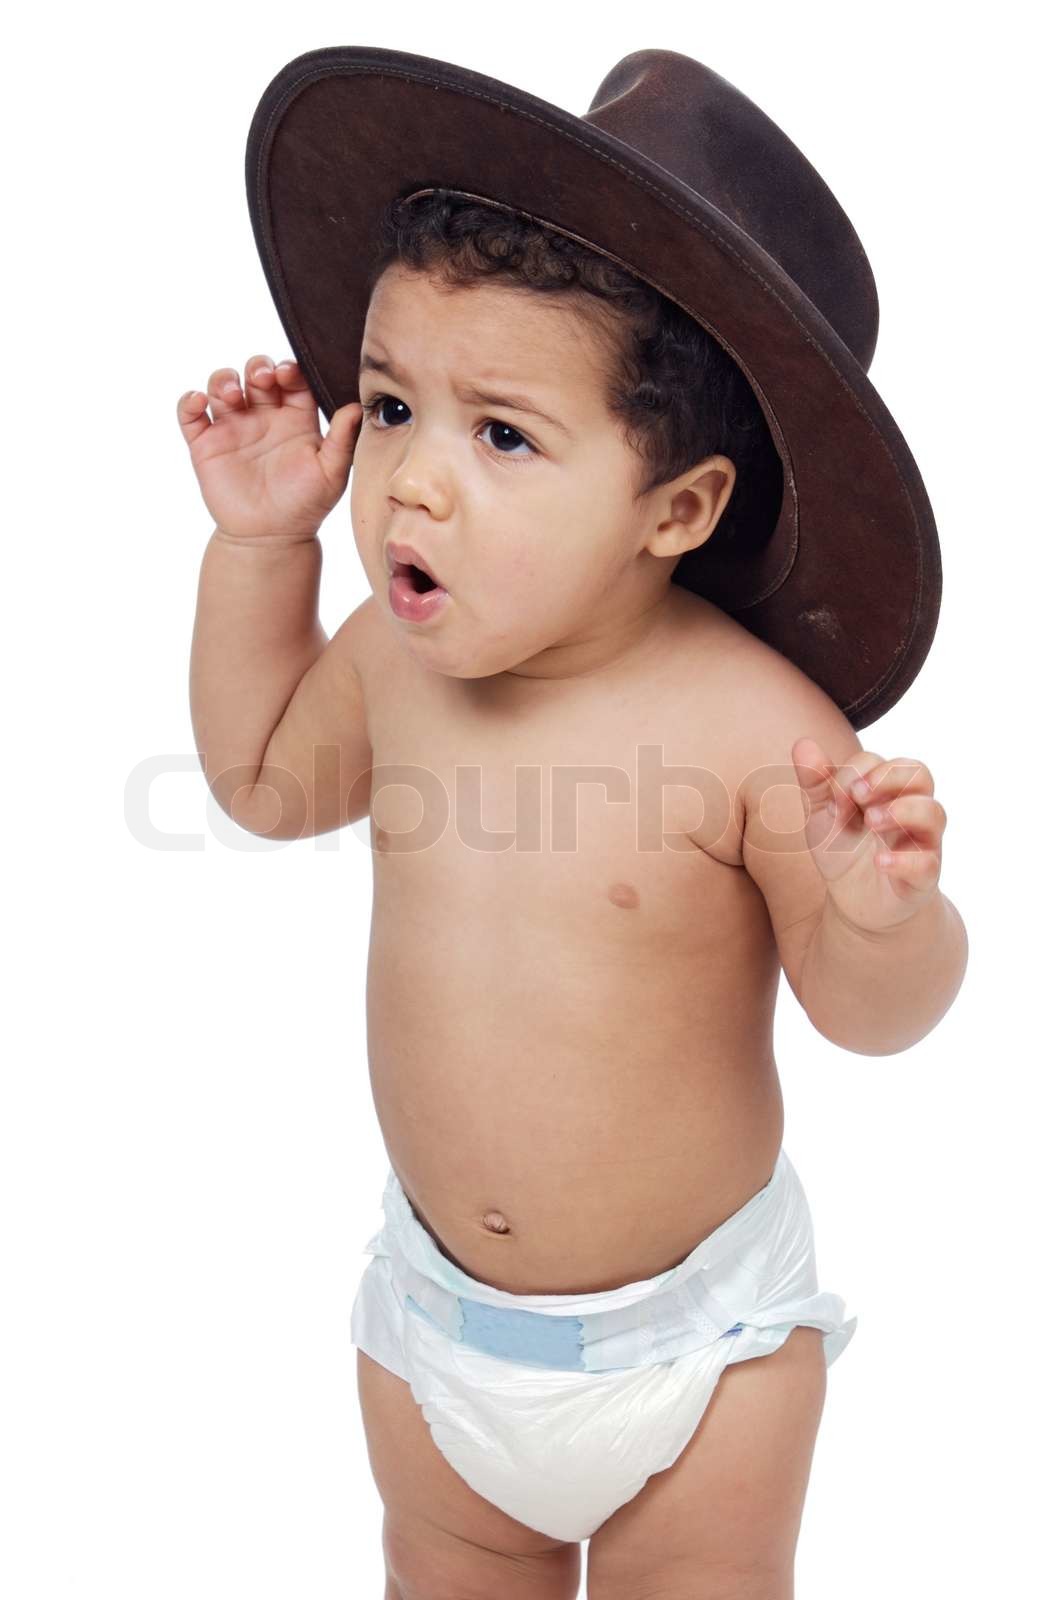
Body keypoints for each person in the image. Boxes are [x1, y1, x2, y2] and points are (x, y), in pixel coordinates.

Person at [179, 48, 969, 1599]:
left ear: (674, 510)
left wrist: (887, 916)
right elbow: (264, 782)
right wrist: (262, 552)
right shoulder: (390, 662)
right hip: (435, 1342)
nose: (411, 484)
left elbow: (875, 1019)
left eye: (504, 437)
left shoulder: (758, 735)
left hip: (701, 1366)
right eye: (394, 405)